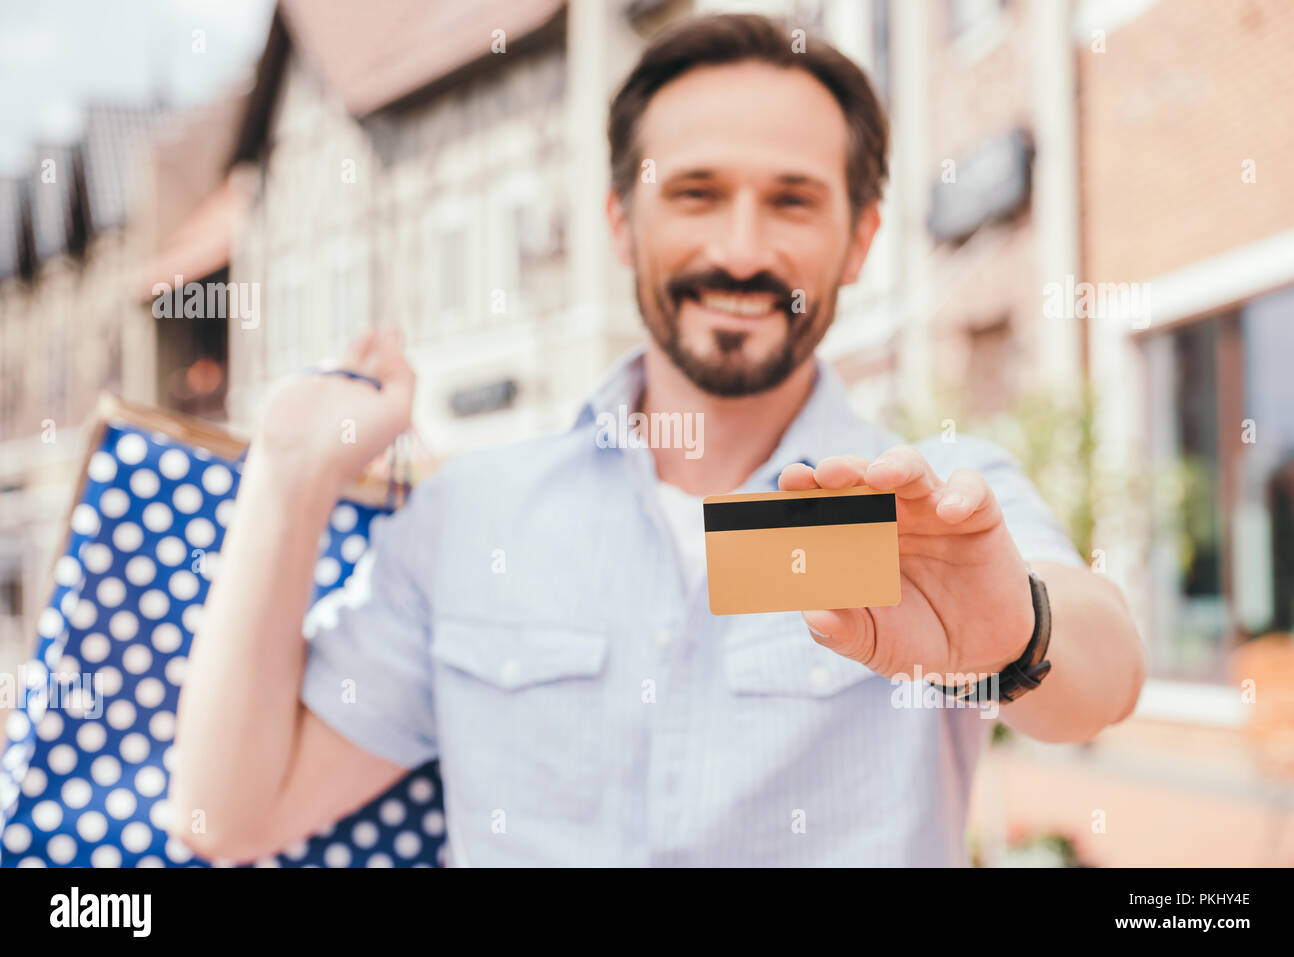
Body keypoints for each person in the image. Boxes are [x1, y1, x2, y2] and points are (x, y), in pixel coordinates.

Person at [171, 13, 1145, 866]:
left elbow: (1101, 679)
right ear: (621, 225)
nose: (740, 249)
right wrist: (289, 477)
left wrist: (1017, 637)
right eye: (694, 193)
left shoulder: (936, 507)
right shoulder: (473, 515)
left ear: (859, 239)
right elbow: (228, 815)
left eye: (793, 200)